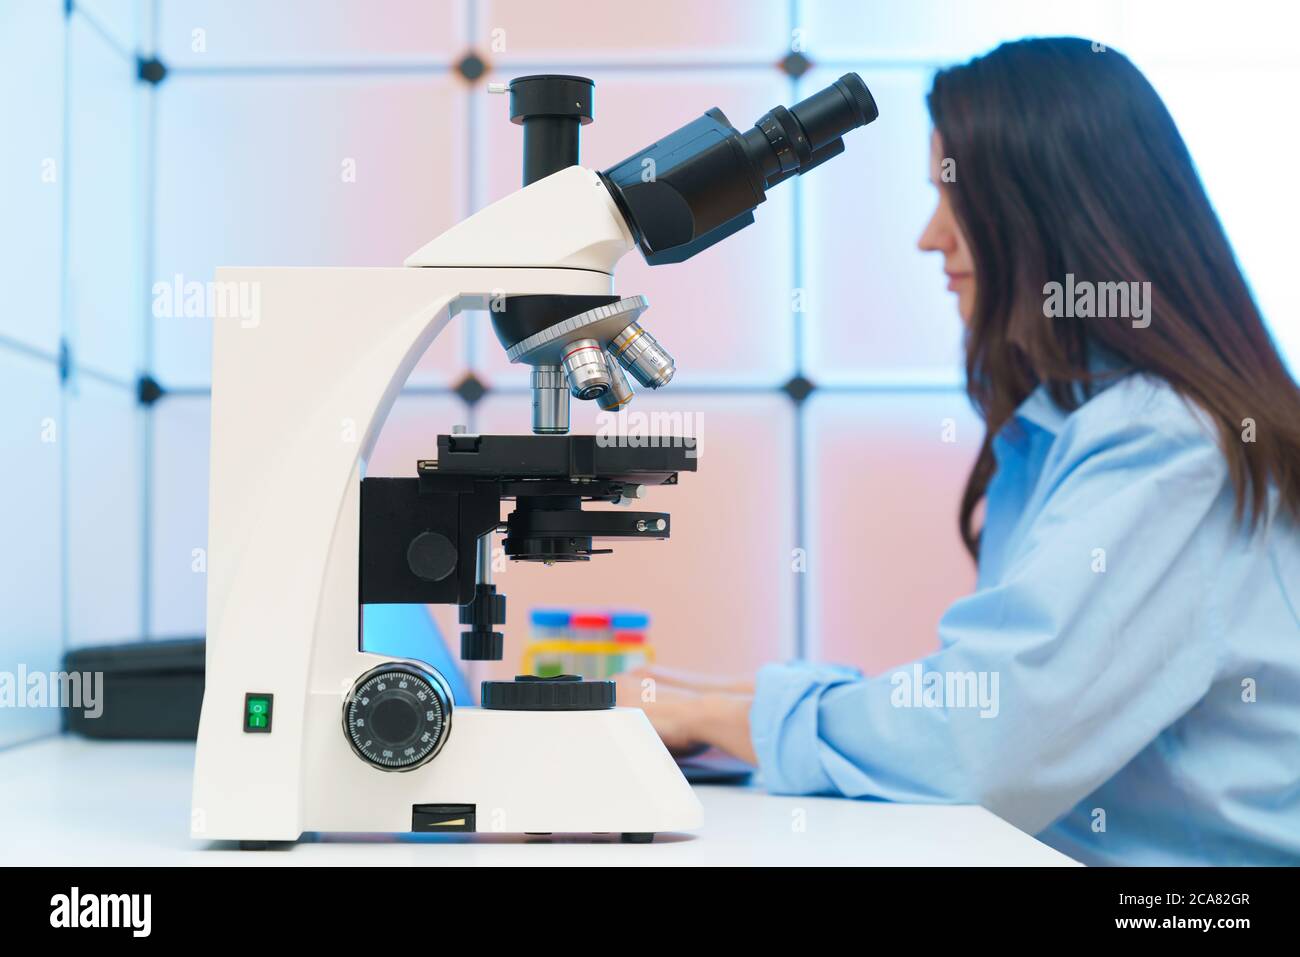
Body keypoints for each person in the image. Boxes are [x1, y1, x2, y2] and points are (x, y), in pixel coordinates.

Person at [615, 37, 1300, 866]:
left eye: (953, 196)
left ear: (1052, 211)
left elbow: (983, 744)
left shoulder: (1164, 443)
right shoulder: (1069, 432)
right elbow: (995, 695)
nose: (930, 239)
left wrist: (712, 717)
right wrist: (720, 698)